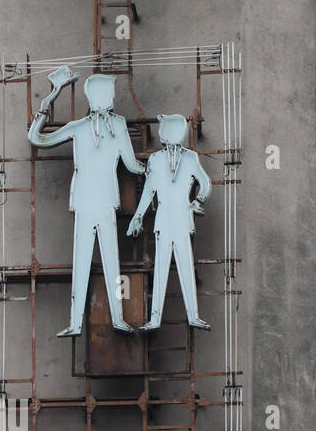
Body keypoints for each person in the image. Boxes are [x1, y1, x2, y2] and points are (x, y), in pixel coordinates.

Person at [29, 71, 145, 336]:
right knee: (81, 260)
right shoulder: (79, 127)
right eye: (109, 93)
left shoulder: (117, 125)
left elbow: (131, 164)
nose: (112, 98)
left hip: (105, 200)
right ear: (97, 96)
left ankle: (117, 319)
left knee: (110, 260)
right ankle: (75, 323)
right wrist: (51, 96)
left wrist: (152, 168)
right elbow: (37, 138)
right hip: (83, 199)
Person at [126, 113, 212, 331]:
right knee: (161, 269)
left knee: (186, 268)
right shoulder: (156, 160)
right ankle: (155, 319)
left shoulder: (191, 158)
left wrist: (198, 200)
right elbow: (148, 191)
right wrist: (138, 216)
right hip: (163, 220)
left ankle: (193, 316)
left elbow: (205, 182)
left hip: (182, 219)